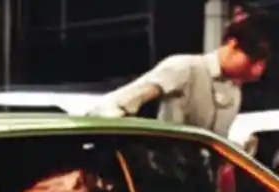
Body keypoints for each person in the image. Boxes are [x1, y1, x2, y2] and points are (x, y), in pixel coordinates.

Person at [88, 7, 270, 139]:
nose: (257, 71)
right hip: (161, 179)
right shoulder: (184, 68)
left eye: (263, 64)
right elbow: (114, 104)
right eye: (253, 60)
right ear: (232, 44)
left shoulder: (234, 94)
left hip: (198, 185)